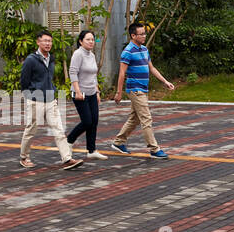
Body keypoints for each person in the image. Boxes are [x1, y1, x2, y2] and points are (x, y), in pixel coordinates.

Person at [19, 29, 84, 170]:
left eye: (50, 41)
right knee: (31, 130)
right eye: (45, 41)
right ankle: (24, 157)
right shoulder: (31, 60)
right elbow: (24, 82)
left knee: (59, 129)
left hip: (50, 100)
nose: (48, 44)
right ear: (38, 42)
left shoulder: (51, 59)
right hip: (35, 100)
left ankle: (67, 158)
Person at [111, 21, 176, 159]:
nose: (144, 36)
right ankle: (154, 149)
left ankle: (118, 142)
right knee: (146, 118)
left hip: (143, 89)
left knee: (134, 118)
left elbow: (151, 68)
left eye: (144, 33)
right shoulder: (127, 52)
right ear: (133, 35)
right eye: (141, 34)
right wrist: (119, 92)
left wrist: (165, 81)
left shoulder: (144, 49)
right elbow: (122, 73)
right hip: (135, 89)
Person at [66, 29, 105, 159]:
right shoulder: (78, 54)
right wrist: (77, 91)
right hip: (80, 93)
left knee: (94, 121)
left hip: (92, 93)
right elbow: (73, 73)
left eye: (93, 39)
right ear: (81, 41)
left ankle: (91, 150)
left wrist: (97, 92)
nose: (91, 42)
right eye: (88, 39)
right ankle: (69, 141)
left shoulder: (91, 55)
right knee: (87, 122)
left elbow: (94, 75)